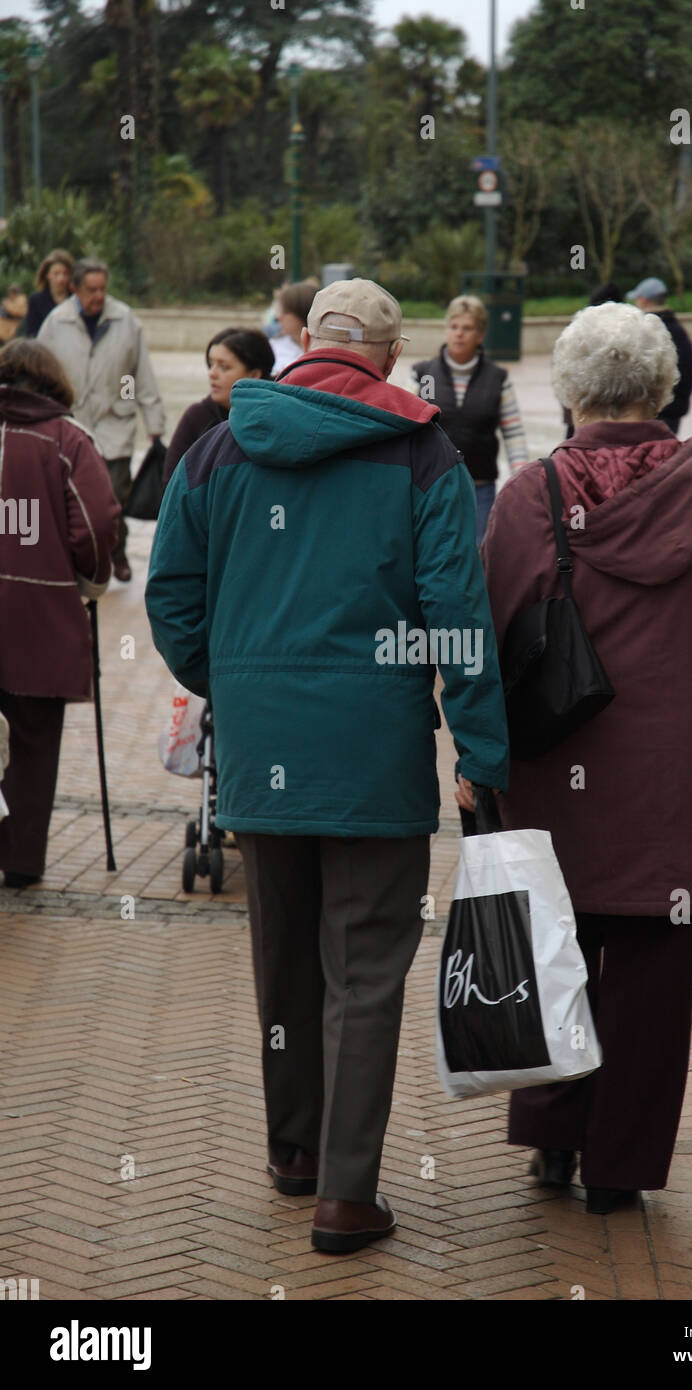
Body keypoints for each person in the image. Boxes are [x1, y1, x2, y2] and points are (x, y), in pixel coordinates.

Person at [146, 278, 508, 1254]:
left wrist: (236, 680)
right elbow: (458, 619)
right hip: (374, 753)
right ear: (389, 357)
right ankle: (346, 1195)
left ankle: (294, 1152)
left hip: (263, 750)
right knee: (365, 970)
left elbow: (171, 589)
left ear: (304, 343)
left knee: (281, 961)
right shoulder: (423, 453)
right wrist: (481, 747)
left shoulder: (220, 443)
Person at [463, 302, 692, 1215]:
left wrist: (480, 753)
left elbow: (486, 631)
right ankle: (620, 1166)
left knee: (555, 948)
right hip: (679, 780)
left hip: (556, 767)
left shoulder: (530, 497)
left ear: (568, 391)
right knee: (653, 976)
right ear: (662, 388)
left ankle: (556, 1137)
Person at [0, 340, 119, 889]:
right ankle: (21, 859)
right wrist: (90, 584)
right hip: (38, 614)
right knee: (34, 739)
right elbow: (96, 522)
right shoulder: (67, 439)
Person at [38, 256, 165, 584]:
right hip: (71, 423)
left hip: (115, 423)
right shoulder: (56, 323)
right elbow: (40, 373)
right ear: (74, 288)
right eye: (91, 290)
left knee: (114, 495)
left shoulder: (125, 320)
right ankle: (79, 558)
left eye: (102, 289)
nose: (98, 296)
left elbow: (143, 374)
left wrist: (154, 425)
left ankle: (117, 549)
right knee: (73, 494)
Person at [413, 295, 529, 545]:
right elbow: (412, 430)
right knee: (436, 551)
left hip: (481, 488)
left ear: (480, 335)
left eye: (467, 328)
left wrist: (520, 480)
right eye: (454, 327)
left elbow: (514, 433)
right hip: (435, 487)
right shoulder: (425, 375)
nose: (459, 334)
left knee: (479, 554)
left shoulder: (498, 378)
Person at [162, 328, 275, 488]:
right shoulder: (197, 417)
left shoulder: (278, 416)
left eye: (224, 367)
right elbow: (172, 483)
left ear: (254, 374)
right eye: (211, 364)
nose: (212, 373)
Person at [627, 276, 692, 435]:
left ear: (643, 300)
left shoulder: (648, 331)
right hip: (673, 410)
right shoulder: (677, 329)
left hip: (653, 413)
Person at [561, 282, 624, 436]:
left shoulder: (578, 333)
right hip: (614, 424)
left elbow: (564, 377)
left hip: (581, 422)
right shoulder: (628, 338)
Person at [271, 281, 318, 376]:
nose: (278, 317)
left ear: (303, 312)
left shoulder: (324, 350)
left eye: (285, 312)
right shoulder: (273, 347)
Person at [24, 248, 74, 338]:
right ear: (48, 275)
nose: (61, 279)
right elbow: (31, 334)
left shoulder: (76, 299)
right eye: (56, 273)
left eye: (65, 273)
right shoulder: (36, 300)